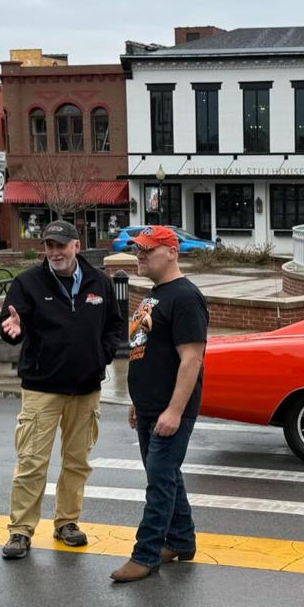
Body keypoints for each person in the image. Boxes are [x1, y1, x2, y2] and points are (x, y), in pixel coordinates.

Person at [0, 220, 126, 559]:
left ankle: (67, 522)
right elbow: (12, 321)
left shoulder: (100, 282)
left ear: (76, 246)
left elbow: (115, 325)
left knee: (77, 462)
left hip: (85, 389)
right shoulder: (28, 282)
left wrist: (103, 355)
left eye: (60, 245)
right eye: (49, 246)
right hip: (42, 388)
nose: (54, 252)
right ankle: (21, 531)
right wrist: (12, 327)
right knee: (31, 462)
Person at [110, 226, 208, 583]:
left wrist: (174, 411)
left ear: (172, 252)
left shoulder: (185, 297)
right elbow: (145, 353)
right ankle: (181, 540)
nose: (140, 256)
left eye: (148, 250)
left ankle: (146, 554)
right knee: (164, 476)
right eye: (138, 250)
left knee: (159, 482)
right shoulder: (156, 295)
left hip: (171, 410)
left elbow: (191, 360)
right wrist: (139, 402)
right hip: (150, 407)